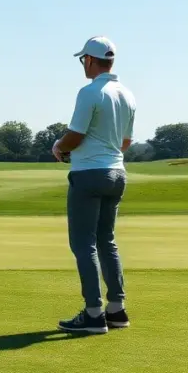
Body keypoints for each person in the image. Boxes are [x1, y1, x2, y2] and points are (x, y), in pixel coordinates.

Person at [51, 36, 136, 335]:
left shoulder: (90, 92)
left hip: (89, 174)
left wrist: (59, 147)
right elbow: (125, 142)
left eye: (82, 60)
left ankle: (93, 314)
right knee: (106, 240)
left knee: (83, 244)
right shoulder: (127, 94)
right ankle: (117, 310)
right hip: (117, 173)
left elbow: (75, 135)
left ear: (89, 59)